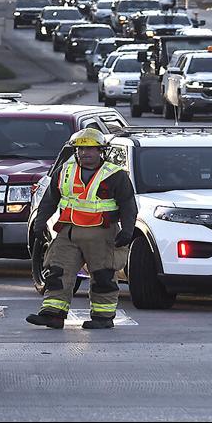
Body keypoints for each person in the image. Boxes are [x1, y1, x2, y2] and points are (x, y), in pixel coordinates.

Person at [26, 129, 138, 329]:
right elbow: (50, 199)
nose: (84, 153)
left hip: (102, 233)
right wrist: (40, 222)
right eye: (80, 149)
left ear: (101, 151)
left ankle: (103, 318)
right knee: (57, 272)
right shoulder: (65, 171)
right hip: (68, 232)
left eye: (90, 149)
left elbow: (128, 205)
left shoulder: (115, 175)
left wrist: (128, 230)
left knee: (103, 275)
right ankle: (53, 314)